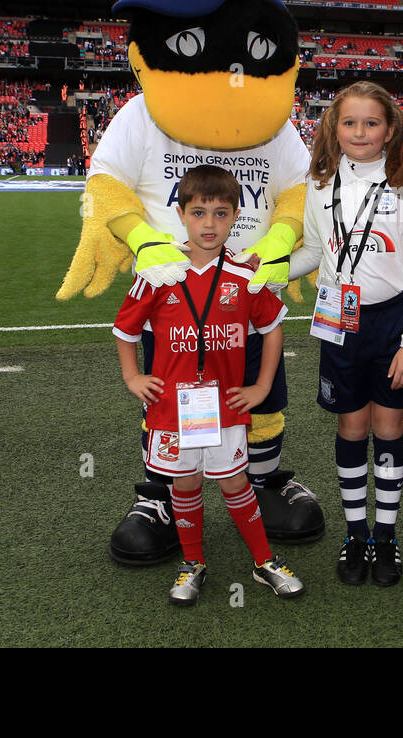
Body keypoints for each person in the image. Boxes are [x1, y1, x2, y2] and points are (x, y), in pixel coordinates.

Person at [112, 164, 305, 605]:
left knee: (235, 482)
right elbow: (124, 330)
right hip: (172, 409)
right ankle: (192, 562)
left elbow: (273, 327)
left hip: (225, 405)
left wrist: (261, 386)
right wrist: (132, 376)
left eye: (221, 213)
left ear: (237, 215)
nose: (210, 224)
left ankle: (263, 561)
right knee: (184, 486)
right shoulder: (160, 272)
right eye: (198, 213)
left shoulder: (244, 273)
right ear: (180, 214)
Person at [288, 82, 403, 587]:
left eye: (371, 123)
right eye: (349, 123)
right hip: (339, 320)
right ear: (335, 127)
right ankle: (356, 534)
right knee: (351, 428)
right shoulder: (320, 182)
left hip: (393, 322)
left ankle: (387, 537)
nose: (359, 132)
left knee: (389, 427)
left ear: (390, 128)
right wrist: (264, 270)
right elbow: (316, 253)